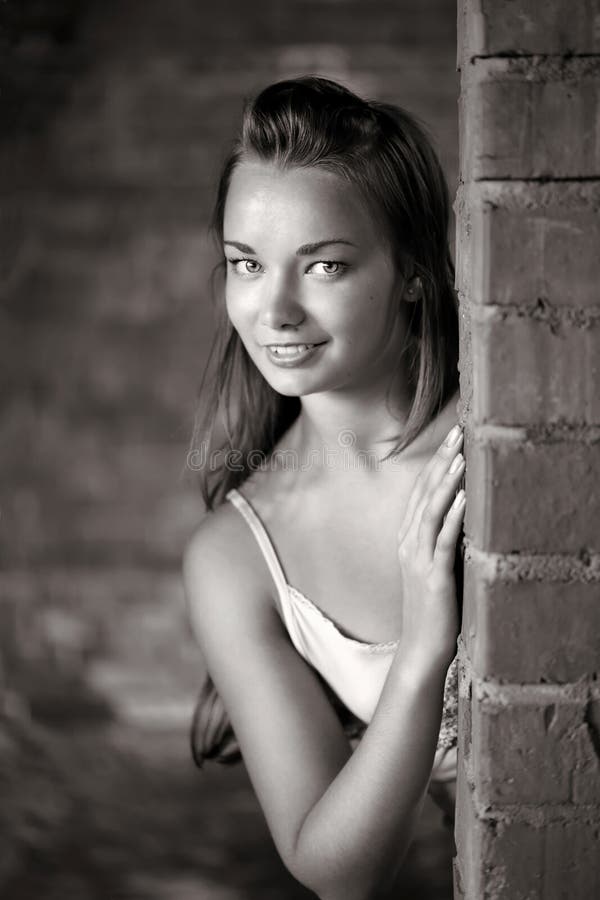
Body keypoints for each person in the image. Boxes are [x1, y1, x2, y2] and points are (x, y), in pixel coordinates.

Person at [183, 76, 464, 900]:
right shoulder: (236, 557)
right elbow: (333, 869)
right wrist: (420, 652)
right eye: (246, 264)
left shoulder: (518, 429)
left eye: (326, 265)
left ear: (411, 273)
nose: (275, 309)